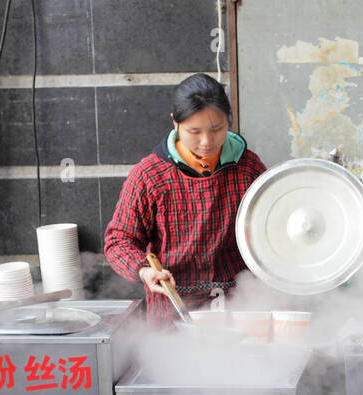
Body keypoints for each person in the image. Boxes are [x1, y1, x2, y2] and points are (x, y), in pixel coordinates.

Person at [104, 73, 266, 325]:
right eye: (194, 131)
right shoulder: (149, 175)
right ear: (175, 123)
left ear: (229, 121)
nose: (206, 142)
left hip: (238, 308)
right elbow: (118, 240)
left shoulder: (247, 168)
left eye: (217, 129)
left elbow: (271, 228)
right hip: (172, 312)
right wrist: (144, 270)